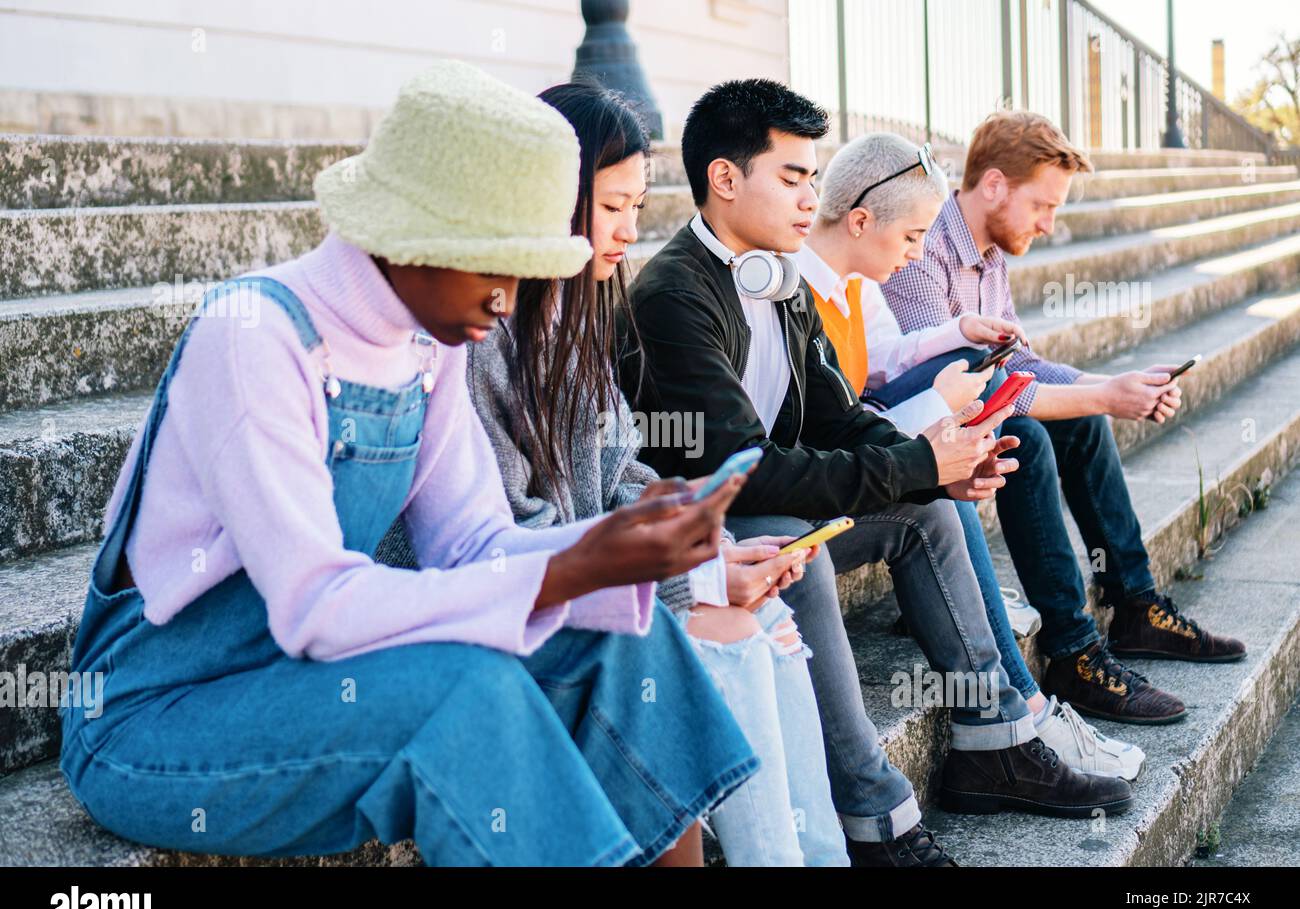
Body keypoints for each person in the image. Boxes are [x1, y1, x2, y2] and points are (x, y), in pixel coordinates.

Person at [57, 60, 759, 868]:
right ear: (412, 237)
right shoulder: (254, 336)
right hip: (157, 721)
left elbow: (472, 547)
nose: (509, 299)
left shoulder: (432, 345)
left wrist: (613, 550)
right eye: (493, 265)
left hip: (312, 687)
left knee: (623, 634)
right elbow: (315, 604)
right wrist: (569, 569)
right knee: (468, 694)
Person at [621, 78, 1133, 865]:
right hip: (704, 526)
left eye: (812, 178)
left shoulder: (780, 276)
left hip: (767, 499)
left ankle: (994, 738)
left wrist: (937, 475)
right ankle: (874, 817)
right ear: (725, 179)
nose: (808, 199)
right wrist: (918, 459)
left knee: (928, 516)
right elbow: (745, 473)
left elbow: (838, 417)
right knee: (804, 546)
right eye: (792, 178)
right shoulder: (672, 292)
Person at [439, 81, 848, 866]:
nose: (630, 231)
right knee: (730, 636)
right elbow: (513, 540)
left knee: (773, 622)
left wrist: (711, 553)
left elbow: (625, 468)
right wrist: (689, 586)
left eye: (636, 207)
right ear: (546, 198)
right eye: (612, 207)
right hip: (524, 609)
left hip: (596, 582)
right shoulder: (479, 334)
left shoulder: (573, 314)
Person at [793, 130, 1144, 779]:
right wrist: (938, 417)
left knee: (1029, 420)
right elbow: (829, 438)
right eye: (910, 238)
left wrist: (959, 335)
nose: (918, 253)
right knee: (946, 484)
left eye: (926, 237)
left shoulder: (859, 289)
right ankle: (1026, 705)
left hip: (861, 456)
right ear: (863, 220)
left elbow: (889, 358)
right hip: (815, 494)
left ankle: (1101, 630)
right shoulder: (791, 296)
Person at [881, 111, 1246, 726]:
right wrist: (1107, 394)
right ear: (993, 185)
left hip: (963, 416)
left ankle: (1134, 604)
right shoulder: (923, 246)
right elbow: (962, 389)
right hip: (910, 434)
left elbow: (1018, 364)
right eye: (1042, 206)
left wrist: (1112, 388)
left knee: (1082, 421)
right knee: (1027, 436)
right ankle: (1073, 653)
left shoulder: (990, 251)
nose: (1049, 225)